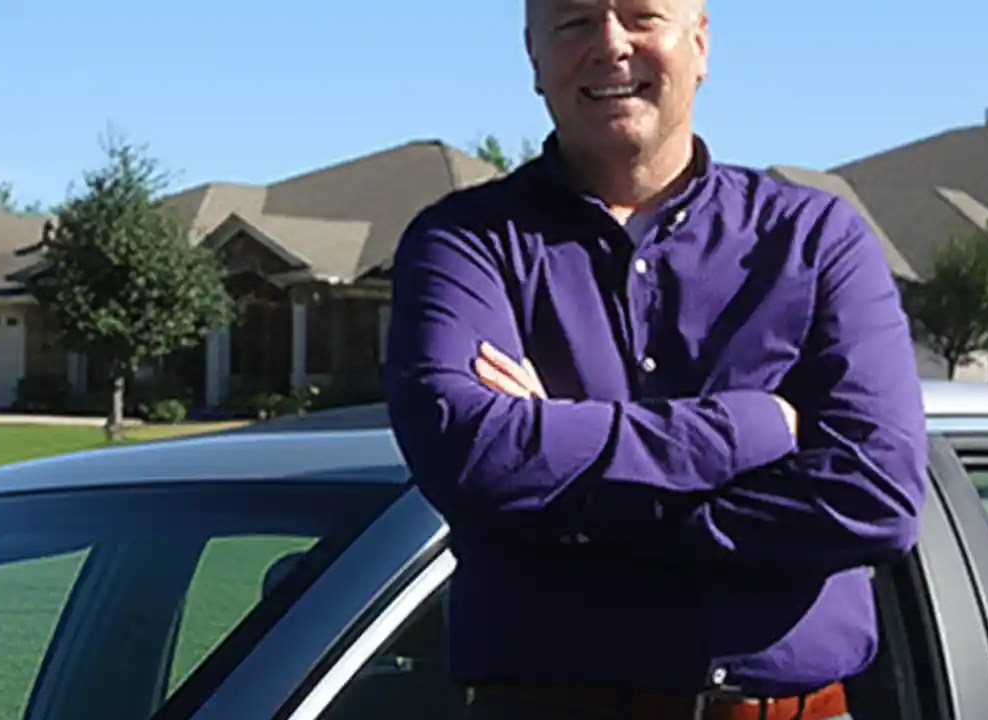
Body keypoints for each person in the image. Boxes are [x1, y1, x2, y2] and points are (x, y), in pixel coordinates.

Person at [384, 0, 928, 717]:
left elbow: (877, 497)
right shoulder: (466, 246)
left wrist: (568, 479)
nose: (610, 45)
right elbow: (475, 458)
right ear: (534, 56)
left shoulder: (816, 240)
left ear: (699, 44)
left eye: (642, 15)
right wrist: (752, 429)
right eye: (574, 21)